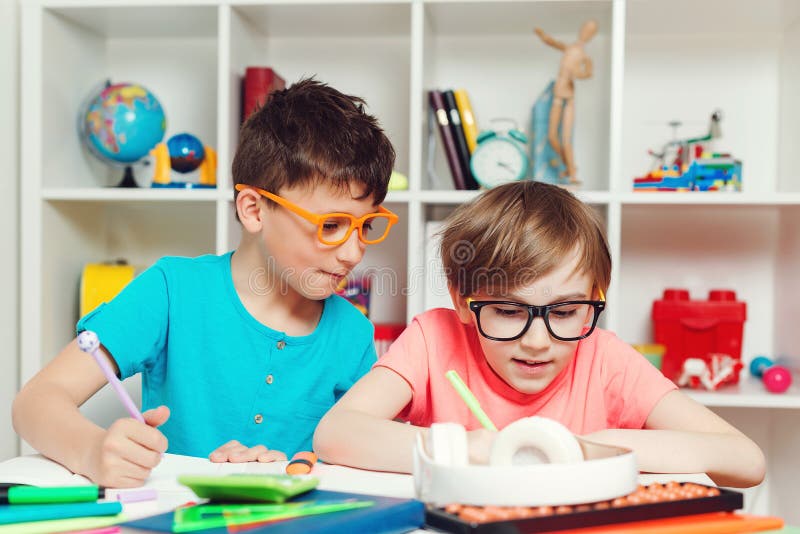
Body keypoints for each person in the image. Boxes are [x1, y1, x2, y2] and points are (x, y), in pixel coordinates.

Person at [12, 79, 398, 488]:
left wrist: (299, 465)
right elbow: (34, 404)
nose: (354, 253)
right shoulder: (172, 291)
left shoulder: (353, 333)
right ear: (253, 209)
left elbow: (359, 454)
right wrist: (92, 451)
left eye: (365, 226)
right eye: (332, 225)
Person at [314, 181, 765, 488]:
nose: (537, 340)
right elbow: (336, 434)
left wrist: (589, 448)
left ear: (594, 296)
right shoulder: (434, 339)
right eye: (509, 311)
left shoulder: (604, 359)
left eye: (567, 311)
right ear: (461, 300)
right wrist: (469, 449)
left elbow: (747, 461)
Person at [534, 20, 597, 184]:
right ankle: (568, 167)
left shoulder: (584, 57)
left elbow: (588, 74)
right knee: (552, 136)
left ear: (592, 35)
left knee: (566, 139)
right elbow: (553, 43)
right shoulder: (570, 48)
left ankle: (573, 174)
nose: (585, 33)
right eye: (585, 28)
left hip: (568, 96)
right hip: (557, 94)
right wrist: (542, 35)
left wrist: (577, 73)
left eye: (590, 31)